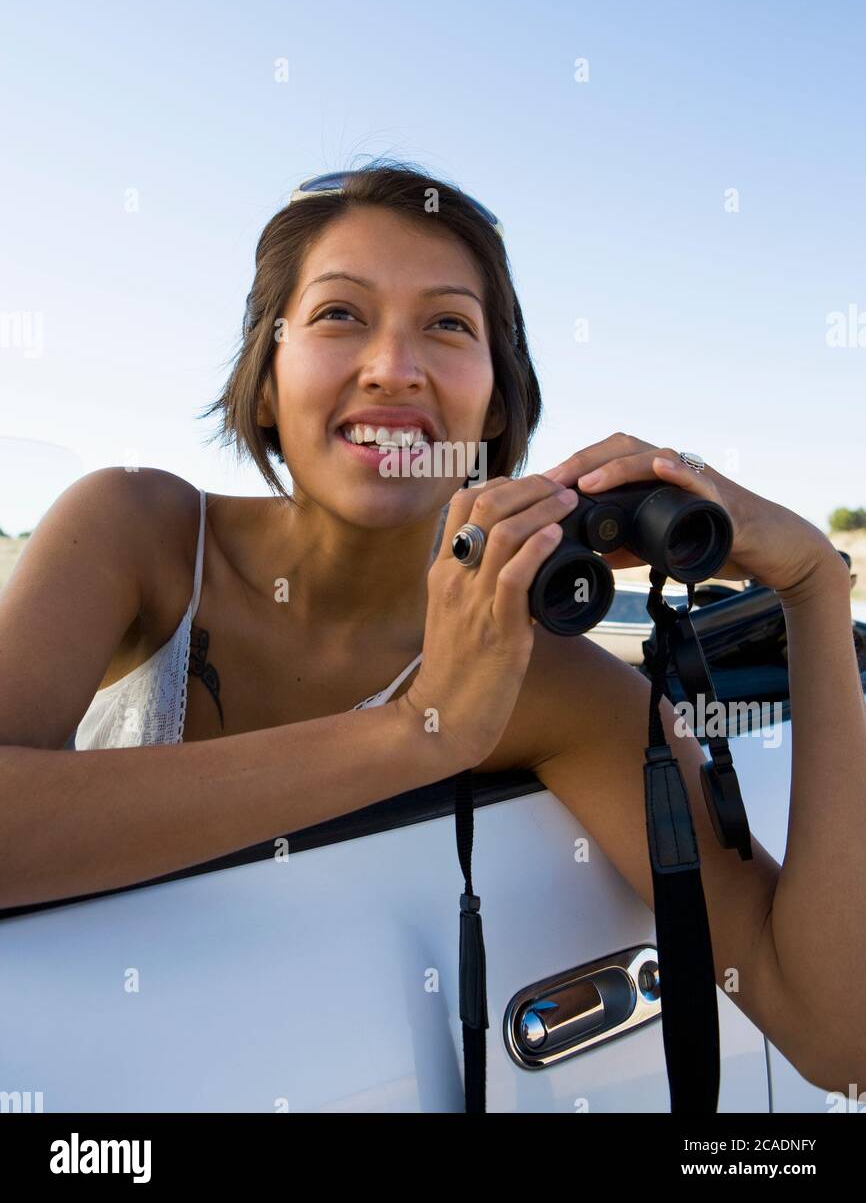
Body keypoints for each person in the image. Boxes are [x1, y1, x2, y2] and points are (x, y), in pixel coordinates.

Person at [0, 162, 863, 1095]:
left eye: (449, 324)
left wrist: (815, 586)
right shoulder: (140, 534)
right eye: (339, 315)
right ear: (264, 377)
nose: (394, 368)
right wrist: (417, 732)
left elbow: (828, 1033)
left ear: (495, 398)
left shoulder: (548, 682)